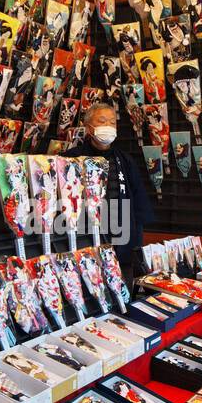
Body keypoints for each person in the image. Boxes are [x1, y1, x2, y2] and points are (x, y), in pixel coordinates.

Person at [66, 103, 154, 275]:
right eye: (102, 121)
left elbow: (139, 207)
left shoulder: (125, 161)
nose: (108, 126)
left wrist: (136, 245)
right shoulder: (71, 159)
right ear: (88, 127)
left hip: (120, 239)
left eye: (112, 122)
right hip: (84, 238)